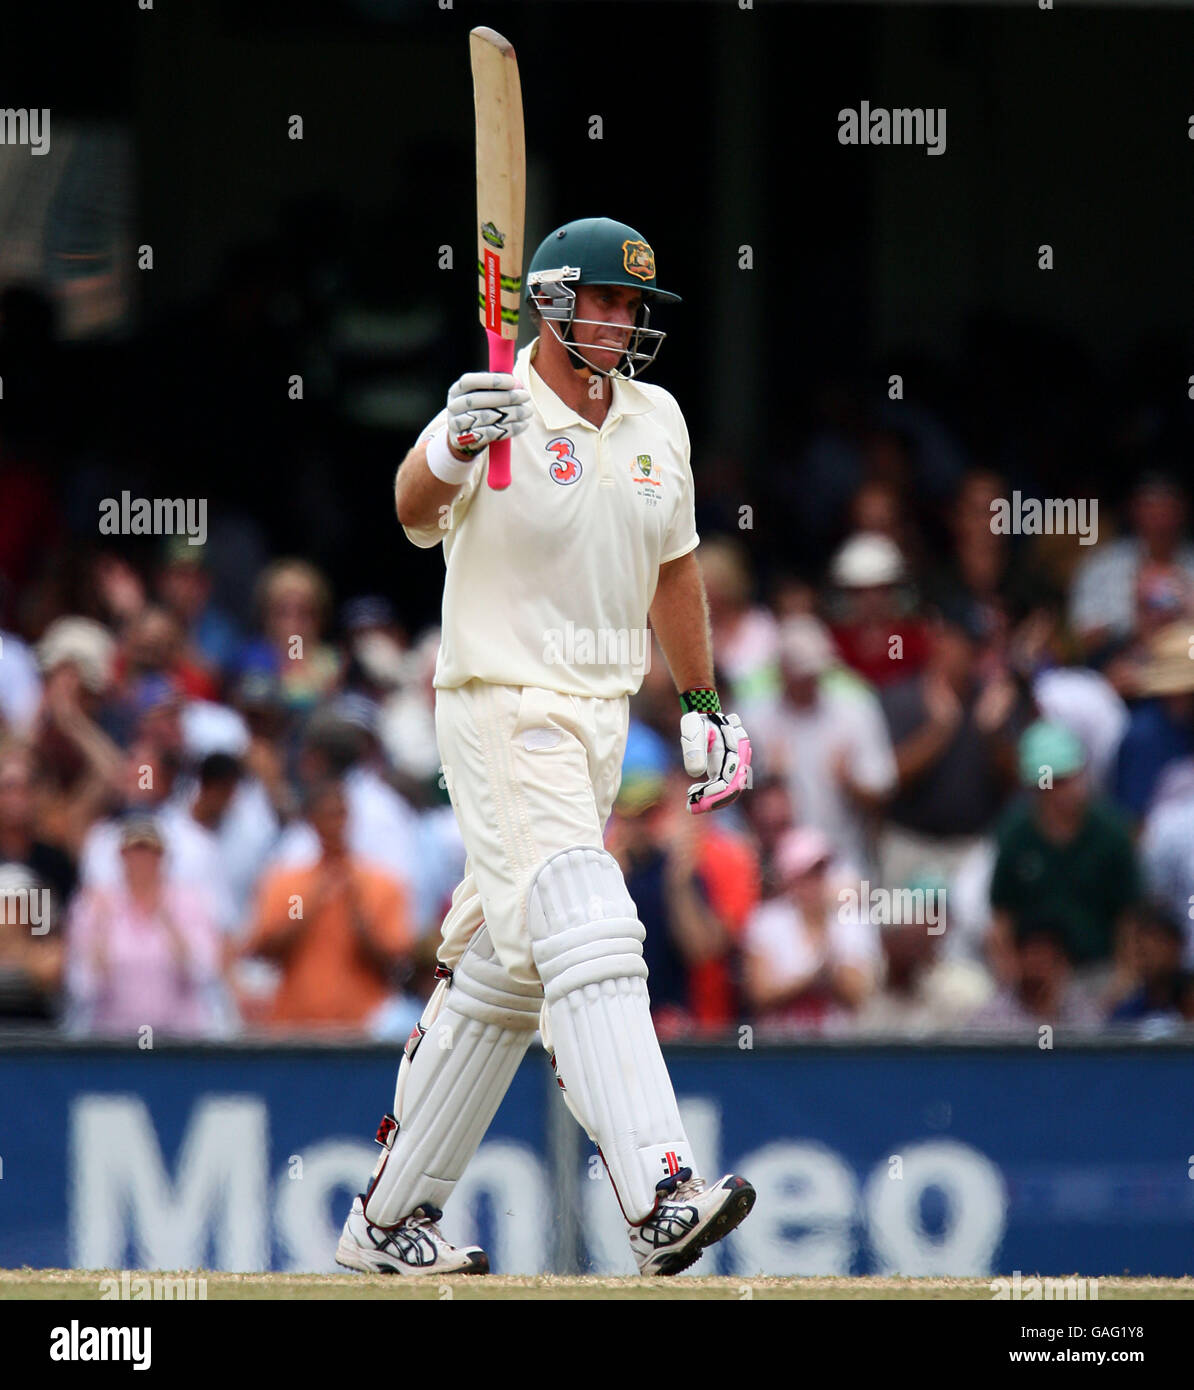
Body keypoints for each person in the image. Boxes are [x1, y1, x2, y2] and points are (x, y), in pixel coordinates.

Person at [336, 217, 755, 1278]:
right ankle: (660, 1191)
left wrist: (702, 697)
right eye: (604, 303)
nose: (621, 323)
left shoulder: (658, 417)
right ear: (553, 304)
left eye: (633, 309)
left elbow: (674, 568)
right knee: (585, 912)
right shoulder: (495, 404)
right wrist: (448, 442)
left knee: (508, 971)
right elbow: (410, 508)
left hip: (602, 718)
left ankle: (386, 1226)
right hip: (502, 702)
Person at [243, 778, 414, 1032]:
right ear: (311, 821)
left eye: (340, 814)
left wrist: (357, 911)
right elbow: (262, 949)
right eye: (327, 815)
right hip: (294, 1026)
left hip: (364, 1029)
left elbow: (397, 961)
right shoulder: (290, 885)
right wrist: (309, 907)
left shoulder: (380, 883)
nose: (335, 824)